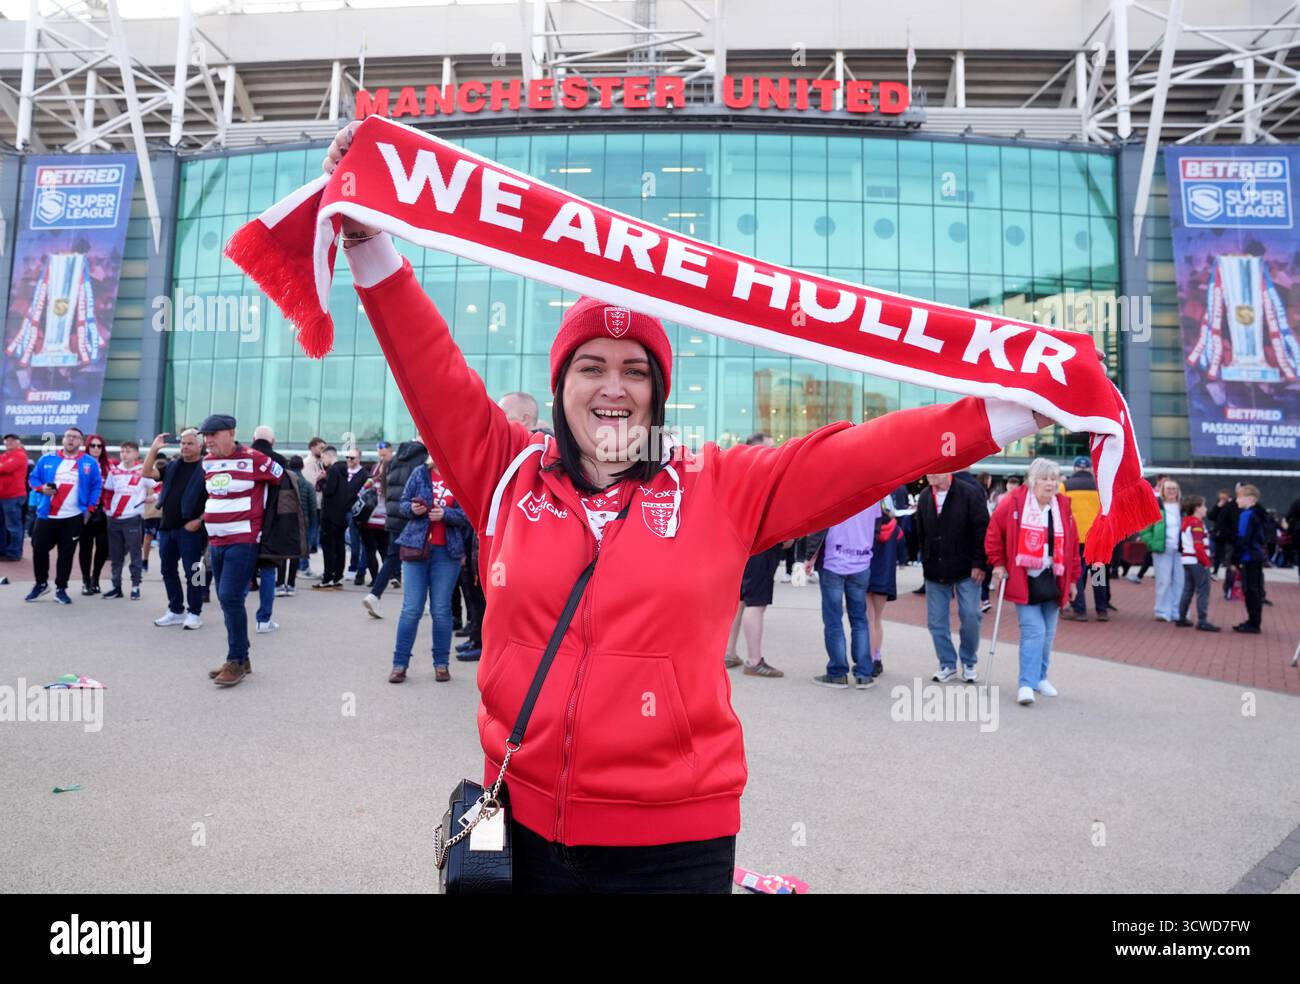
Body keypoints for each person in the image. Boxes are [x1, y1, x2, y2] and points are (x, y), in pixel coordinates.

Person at [324, 122, 1046, 892]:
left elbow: (861, 456)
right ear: (561, 387)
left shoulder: (717, 485)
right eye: (590, 367)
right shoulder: (506, 472)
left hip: (676, 842)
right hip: (522, 829)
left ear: (659, 393)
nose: (612, 387)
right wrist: (367, 239)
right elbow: (430, 366)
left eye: (635, 370)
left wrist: (1017, 409)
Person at [198, 414, 285, 687]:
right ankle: (242, 658)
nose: (208, 440)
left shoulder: (254, 458)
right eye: (205, 435)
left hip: (244, 539)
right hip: (216, 541)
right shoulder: (207, 462)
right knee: (226, 599)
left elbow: (282, 479)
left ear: (231, 433)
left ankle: (235, 660)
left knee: (230, 597)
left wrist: (272, 525)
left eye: (213, 434)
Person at [987, 458, 1080, 706]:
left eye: (1054, 479)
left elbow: (1072, 546)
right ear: (1032, 481)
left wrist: (1073, 580)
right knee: (1034, 631)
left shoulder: (1062, 507)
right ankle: (1026, 684)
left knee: (1048, 634)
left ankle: (1040, 677)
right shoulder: (1014, 503)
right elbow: (994, 532)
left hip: (1054, 577)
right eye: (1044, 479)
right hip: (1024, 578)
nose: (1050, 484)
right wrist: (998, 563)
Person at [389, 456, 471, 683]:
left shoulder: (459, 475)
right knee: (411, 609)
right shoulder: (420, 473)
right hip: (416, 548)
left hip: (447, 553)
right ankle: (399, 664)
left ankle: (441, 664)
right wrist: (413, 509)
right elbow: (402, 504)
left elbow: (470, 514)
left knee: (441, 610)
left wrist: (446, 514)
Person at [722, 432, 787, 679]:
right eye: (770, 448)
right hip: (760, 547)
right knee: (755, 604)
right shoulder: (761, 479)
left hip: (742, 547)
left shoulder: (738, 476)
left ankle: (729, 653)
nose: (775, 451)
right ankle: (754, 660)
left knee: (740, 601)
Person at [915, 471, 989, 683]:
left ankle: (968, 660)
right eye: (928, 471)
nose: (930, 475)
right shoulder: (925, 496)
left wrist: (980, 563)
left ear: (948, 470)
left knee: (971, 615)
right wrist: (924, 557)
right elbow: (921, 531)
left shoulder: (970, 493)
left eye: (935, 471)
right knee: (936, 620)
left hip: (967, 568)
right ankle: (947, 663)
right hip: (935, 568)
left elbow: (982, 529)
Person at [805, 500, 880, 689]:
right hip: (861, 561)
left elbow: (819, 526)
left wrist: (810, 556)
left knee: (833, 621)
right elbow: (877, 527)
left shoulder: (837, 492)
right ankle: (864, 673)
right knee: (860, 620)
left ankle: (838, 673)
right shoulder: (874, 497)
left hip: (833, 561)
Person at [25, 427, 103, 605]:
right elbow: (32, 479)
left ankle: (61, 588)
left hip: (73, 516)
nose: (71, 439)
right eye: (68, 436)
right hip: (46, 515)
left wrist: (90, 509)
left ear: (81, 442)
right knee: (39, 548)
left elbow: (96, 486)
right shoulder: (47, 459)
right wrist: (42, 489)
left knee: (66, 553)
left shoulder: (89, 463)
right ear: (63, 439)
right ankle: (41, 583)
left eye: (75, 437)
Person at [143, 430, 207, 629]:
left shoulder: (207, 468)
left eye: (190, 443)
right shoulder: (172, 466)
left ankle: (195, 612)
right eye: (183, 443)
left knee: (195, 571)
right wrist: (154, 449)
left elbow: (217, 498)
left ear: (200, 446)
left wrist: (199, 520)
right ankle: (176, 610)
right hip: (167, 527)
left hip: (192, 529)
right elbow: (147, 473)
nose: (185, 447)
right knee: (167, 570)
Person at [362, 438, 426, 617]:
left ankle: (374, 595)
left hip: (394, 516)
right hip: (413, 515)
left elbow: (386, 487)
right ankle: (424, 602)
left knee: (392, 558)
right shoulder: (423, 459)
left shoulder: (395, 459)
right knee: (422, 559)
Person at [101, 440, 156, 600]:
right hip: (114, 519)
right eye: (122, 451)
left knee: (135, 554)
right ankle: (116, 587)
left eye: (128, 451)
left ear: (136, 454)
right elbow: (108, 493)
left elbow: (159, 486)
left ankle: (135, 586)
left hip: (132, 518)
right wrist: (108, 510)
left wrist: (154, 497)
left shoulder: (143, 471)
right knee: (116, 555)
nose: (124, 454)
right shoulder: (114, 471)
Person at [251, 425, 292, 632]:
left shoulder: (243, 457)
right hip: (269, 523)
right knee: (268, 570)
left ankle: (233, 616)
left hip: (243, 522)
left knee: (241, 570)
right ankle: (263, 619)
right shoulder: (279, 461)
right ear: (273, 441)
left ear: (253, 439)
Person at [1061, 455, 1110, 622]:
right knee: (1099, 575)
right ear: (1090, 469)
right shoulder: (1101, 487)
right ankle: (1102, 610)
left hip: (1076, 539)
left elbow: (1061, 511)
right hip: (1098, 539)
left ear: (1074, 469)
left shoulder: (1065, 486)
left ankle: (1079, 610)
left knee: (1078, 575)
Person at [315, 445, 365, 589]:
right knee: (339, 546)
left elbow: (329, 491)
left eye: (323, 457)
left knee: (328, 547)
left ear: (329, 456)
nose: (323, 461)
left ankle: (328, 578)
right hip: (341, 514)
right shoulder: (344, 470)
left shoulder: (333, 470)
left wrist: (322, 480)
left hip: (330, 515)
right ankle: (337, 576)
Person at [865, 497, 904, 678]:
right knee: (878, 619)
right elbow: (901, 549)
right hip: (885, 577)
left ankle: (869, 658)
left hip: (866, 573)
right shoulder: (895, 528)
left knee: (868, 619)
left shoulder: (867, 525)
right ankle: (877, 657)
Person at [1138, 477, 1184, 622]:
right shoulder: (1155, 507)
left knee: (1180, 582)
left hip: (1181, 551)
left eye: (1174, 489)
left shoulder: (1183, 508)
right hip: (1162, 550)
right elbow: (1144, 529)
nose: (1171, 491)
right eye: (1168, 489)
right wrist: (1151, 544)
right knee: (1163, 582)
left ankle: (1178, 612)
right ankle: (1162, 611)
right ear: (1163, 491)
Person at [1176, 495, 1219, 632]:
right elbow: (1198, 546)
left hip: (1187, 560)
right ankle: (1202, 621)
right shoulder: (1197, 524)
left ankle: (1181, 618)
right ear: (1197, 508)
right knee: (1203, 590)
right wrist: (1206, 563)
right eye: (1204, 506)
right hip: (1197, 561)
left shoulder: (1187, 521)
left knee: (1187, 589)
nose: (1206, 509)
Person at [77, 433, 112, 594]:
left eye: (99, 446)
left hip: (103, 511)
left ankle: (95, 578)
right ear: (87, 447)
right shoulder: (79, 463)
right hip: (85, 511)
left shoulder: (108, 466)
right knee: (85, 546)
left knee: (103, 546)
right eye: (93, 445)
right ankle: (86, 581)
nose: (96, 448)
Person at [278, 455, 317, 597]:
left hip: (284, 521)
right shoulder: (307, 485)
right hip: (301, 523)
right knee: (295, 554)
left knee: (282, 553)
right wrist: (312, 526)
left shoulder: (283, 483)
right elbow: (313, 510)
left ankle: (280, 584)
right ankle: (291, 584)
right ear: (302, 466)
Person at [1232, 485, 1267, 635]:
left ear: (1251, 499)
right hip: (1257, 555)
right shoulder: (1260, 514)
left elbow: (1242, 537)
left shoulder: (1247, 515)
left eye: (1239, 497)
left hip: (1249, 556)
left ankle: (1253, 623)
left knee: (1250, 589)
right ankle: (1254, 620)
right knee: (1256, 589)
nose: (1237, 500)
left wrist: (1235, 557)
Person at [299, 436, 327, 576]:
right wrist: (320, 477)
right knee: (309, 536)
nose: (323, 451)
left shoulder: (320, 463)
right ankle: (303, 566)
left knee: (312, 536)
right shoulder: (308, 463)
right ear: (312, 447)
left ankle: (304, 565)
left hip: (319, 504)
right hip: (312, 505)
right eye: (321, 448)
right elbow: (309, 485)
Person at [0, 433, 28, 560]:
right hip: (3, 496)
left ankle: (14, 553)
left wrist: (2, 466)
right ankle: (3, 551)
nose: (9, 442)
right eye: (7, 440)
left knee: (13, 526)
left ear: (18, 442)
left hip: (13, 496)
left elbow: (6, 468)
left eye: (12, 440)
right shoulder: (4, 456)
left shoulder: (20, 455)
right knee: (3, 526)